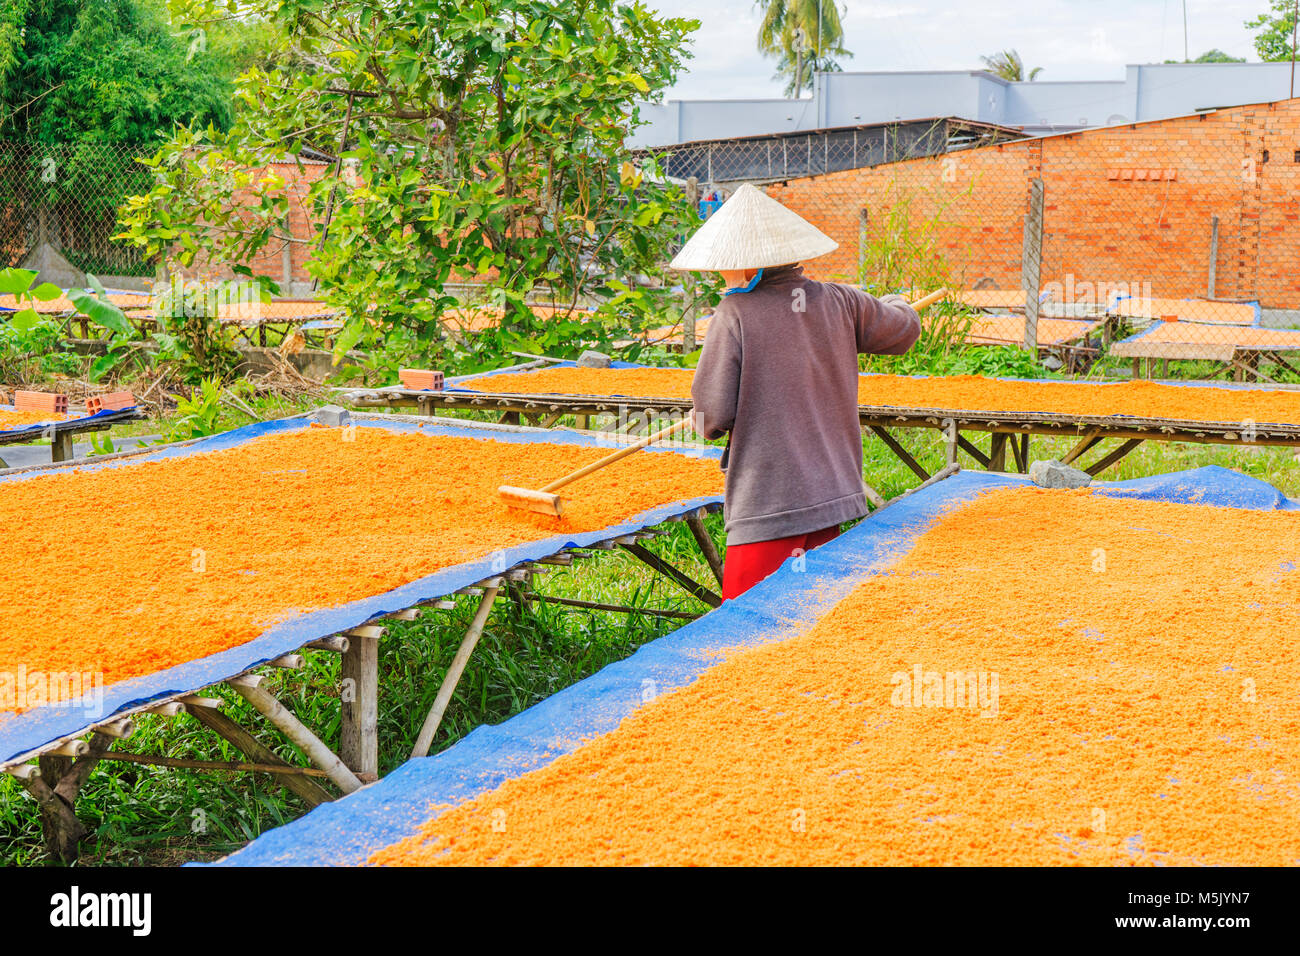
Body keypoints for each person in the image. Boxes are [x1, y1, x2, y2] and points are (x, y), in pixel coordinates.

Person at [671, 183, 921, 600]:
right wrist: (899, 303)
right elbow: (902, 330)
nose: (720, 274)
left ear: (748, 267)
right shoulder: (841, 301)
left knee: (747, 626)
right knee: (812, 615)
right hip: (831, 494)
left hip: (769, 503)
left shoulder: (735, 314)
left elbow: (711, 417)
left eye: (725, 266)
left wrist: (699, 417)